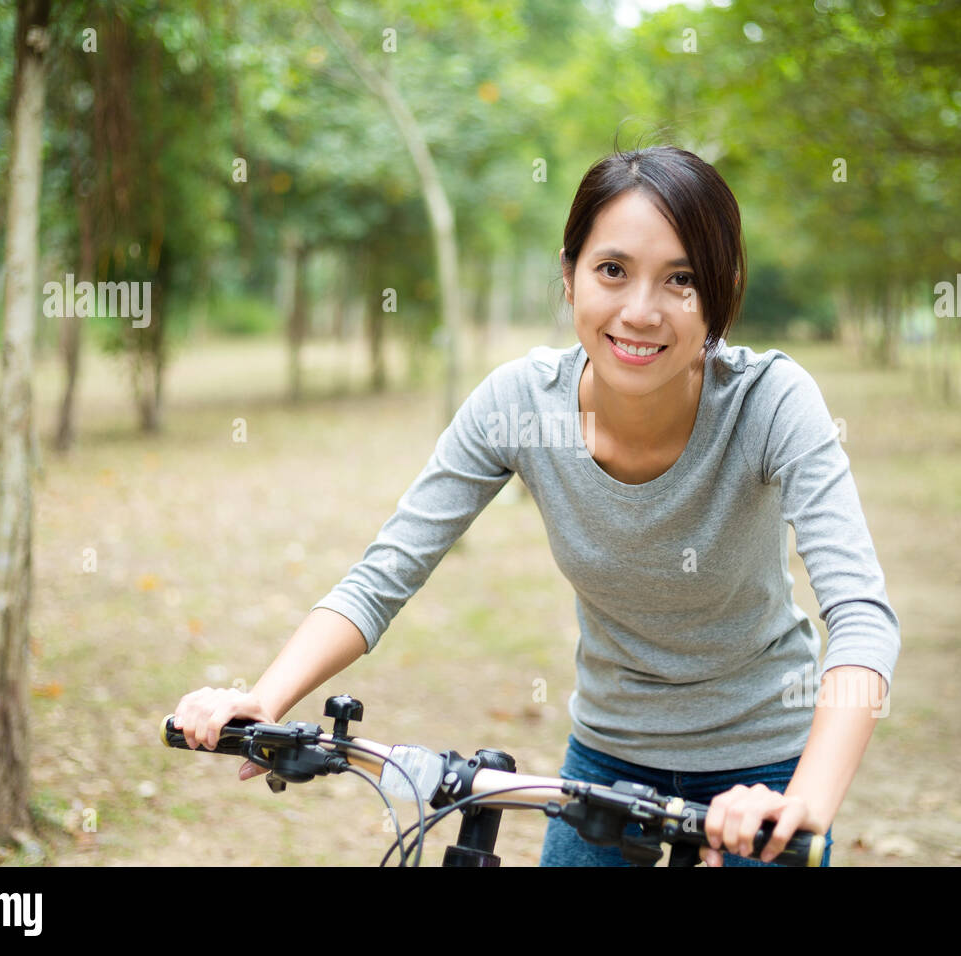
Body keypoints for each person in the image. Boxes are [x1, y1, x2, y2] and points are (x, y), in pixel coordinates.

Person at [173, 143, 901, 867]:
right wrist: (264, 699)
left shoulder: (770, 403)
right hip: (606, 767)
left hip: (764, 774)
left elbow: (861, 617)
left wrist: (800, 804)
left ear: (720, 292)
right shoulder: (520, 405)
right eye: (612, 271)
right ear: (569, 276)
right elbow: (380, 579)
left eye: (681, 279)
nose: (641, 311)